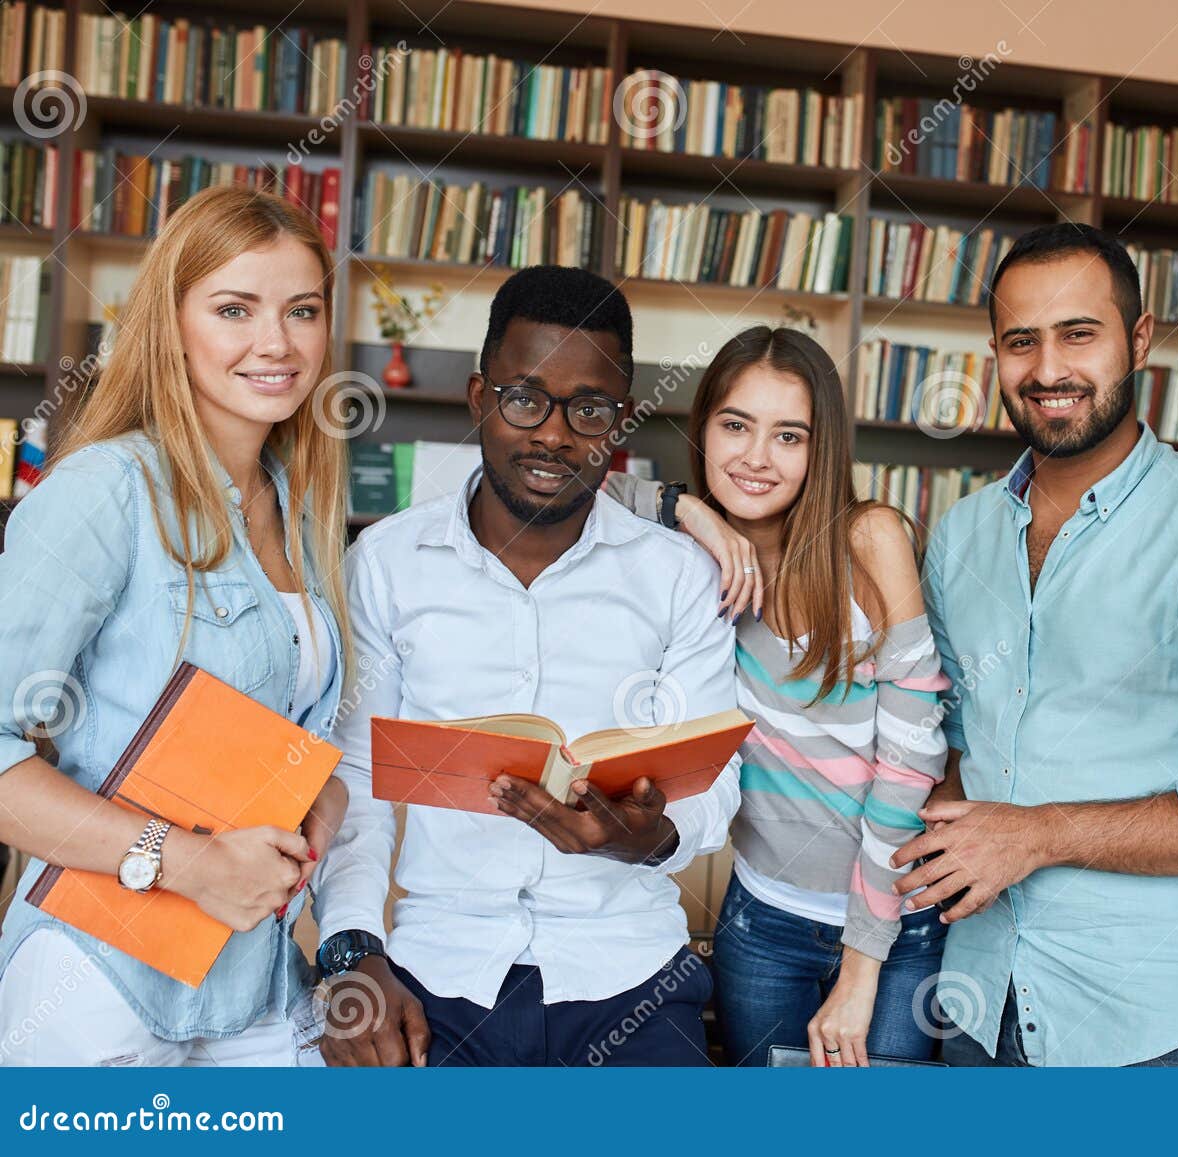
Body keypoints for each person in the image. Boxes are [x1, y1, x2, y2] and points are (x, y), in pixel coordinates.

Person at [896, 221, 1178, 1067]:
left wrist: (1038, 833)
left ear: (1138, 340)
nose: (1048, 370)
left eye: (1078, 335)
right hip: (976, 1002)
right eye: (1022, 342)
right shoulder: (962, 534)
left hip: (1159, 1022)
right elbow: (951, 742)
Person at [312, 265, 738, 1068]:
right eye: (524, 398)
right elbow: (357, 780)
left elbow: (713, 784)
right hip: (438, 970)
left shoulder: (677, 575)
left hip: (631, 972)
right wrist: (351, 952)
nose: (553, 433)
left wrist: (644, 838)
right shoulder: (389, 562)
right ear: (480, 399)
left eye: (589, 409)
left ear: (618, 423)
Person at [0, 186, 351, 1066]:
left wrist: (321, 799)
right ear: (172, 322)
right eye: (235, 308)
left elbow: (292, 728)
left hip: (251, 977)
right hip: (99, 982)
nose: (276, 343)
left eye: (301, 310)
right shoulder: (105, 491)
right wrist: (187, 862)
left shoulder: (306, 513)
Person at [604, 326, 951, 1067]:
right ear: (703, 429)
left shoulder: (869, 538)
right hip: (763, 923)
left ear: (818, 450)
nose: (757, 457)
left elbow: (912, 758)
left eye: (788, 435)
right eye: (735, 425)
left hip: (897, 931)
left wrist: (862, 962)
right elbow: (581, 480)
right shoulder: (696, 562)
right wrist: (690, 510)